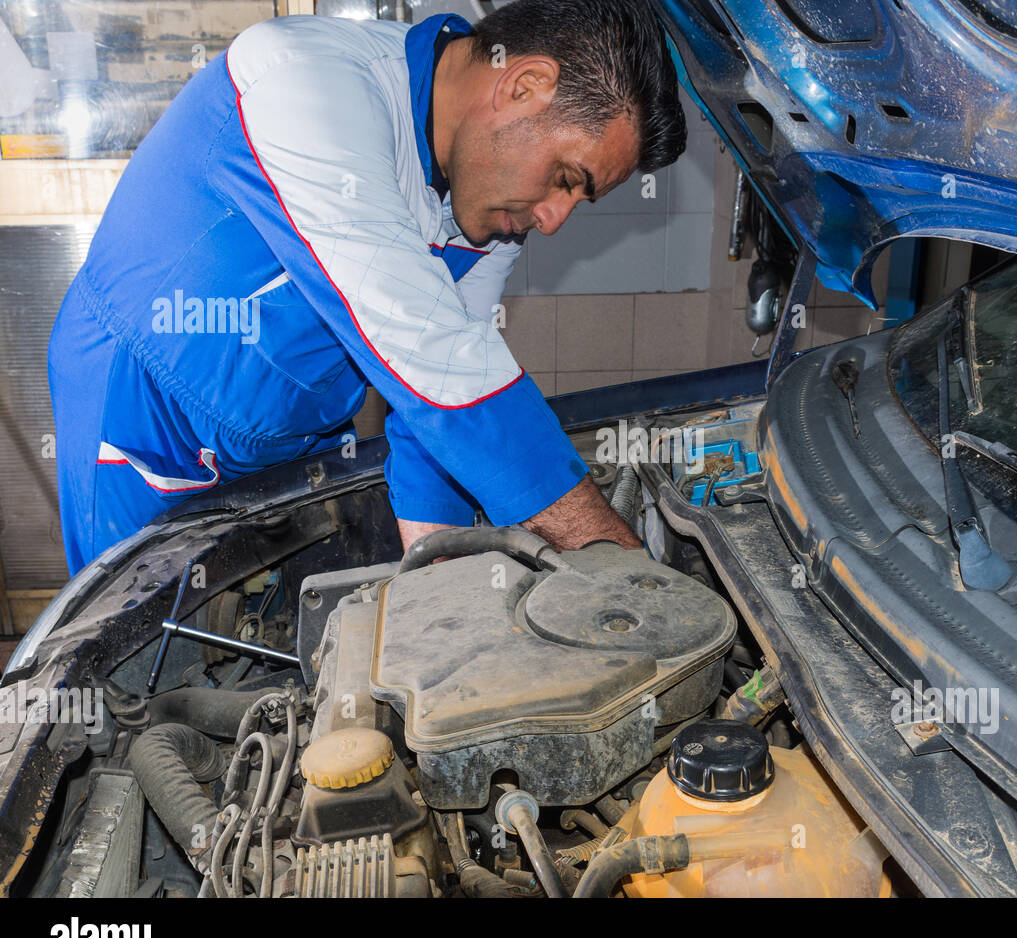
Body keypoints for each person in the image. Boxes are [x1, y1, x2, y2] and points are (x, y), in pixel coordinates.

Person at [46, 0, 686, 575]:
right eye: (567, 177)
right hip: (152, 412)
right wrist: (623, 570)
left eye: (582, 198)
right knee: (138, 675)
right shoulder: (303, 81)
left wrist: (435, 580)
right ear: (524, 85)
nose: (553, 219)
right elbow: (444, 373)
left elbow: (429, 396)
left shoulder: (489, 205)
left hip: (300, 426)